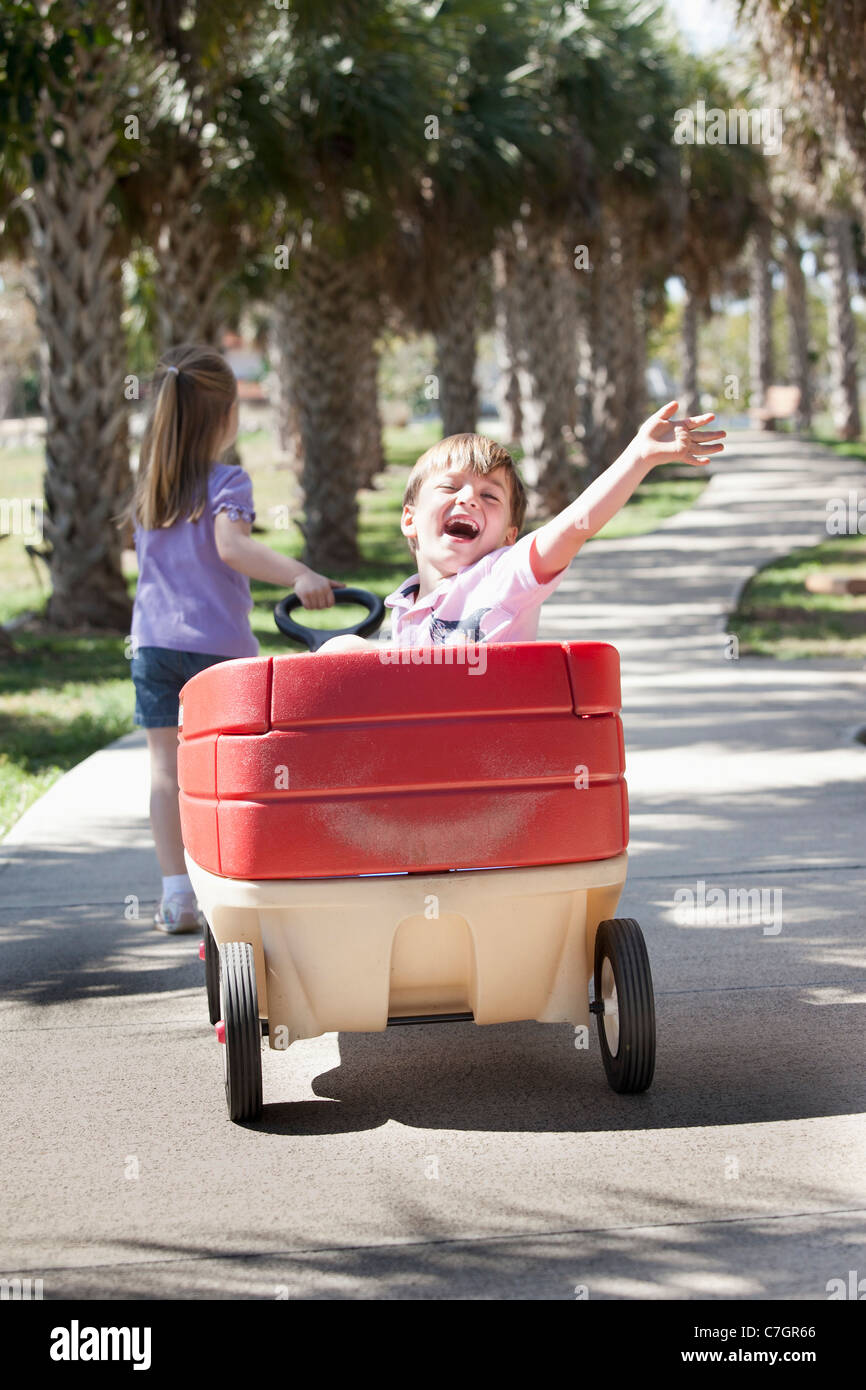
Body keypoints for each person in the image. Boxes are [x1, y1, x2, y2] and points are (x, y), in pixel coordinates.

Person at [125, 344, 342, 933]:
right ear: (225, 417)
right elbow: (231, 547)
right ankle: (243, 880)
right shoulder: (228, 481)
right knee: (234, 769)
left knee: (164, 769)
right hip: (216, 652)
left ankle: (176, 895)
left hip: (151, 647)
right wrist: (300, 573)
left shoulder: (152, 486)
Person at [320, 400, 725, 655]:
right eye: (450, 487)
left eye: (490, 496)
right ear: (409, 519)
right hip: (417, 773)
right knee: (344, 647)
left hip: (489, 773)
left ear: (510, 536)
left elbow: (572, 529)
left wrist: (637, 458)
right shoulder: (402, 608)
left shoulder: (502, 576)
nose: (468, 499)